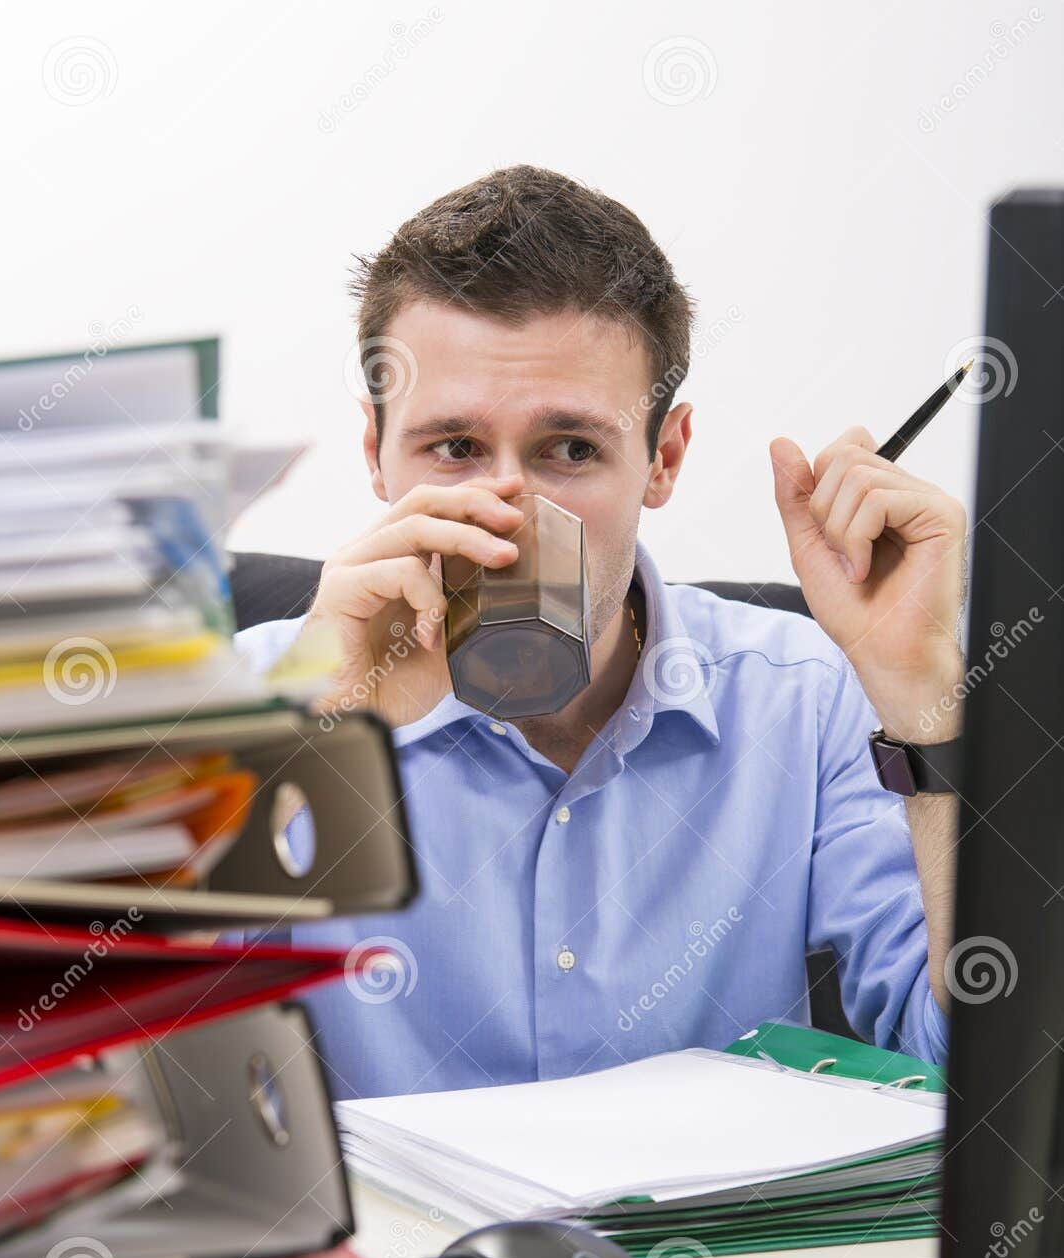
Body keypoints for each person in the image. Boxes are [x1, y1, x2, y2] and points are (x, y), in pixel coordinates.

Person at [236, 164, 966, 1098]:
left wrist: (922, 693)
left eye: (570, 450)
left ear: (662, 459)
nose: (508, 509)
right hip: (386, 1247)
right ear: (375, 454)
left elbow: (976, 1065)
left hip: (700, 1244)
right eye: (454, 447)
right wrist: (311, 735)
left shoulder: (805, 696)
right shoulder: (257, 696)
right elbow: (121, 1084)